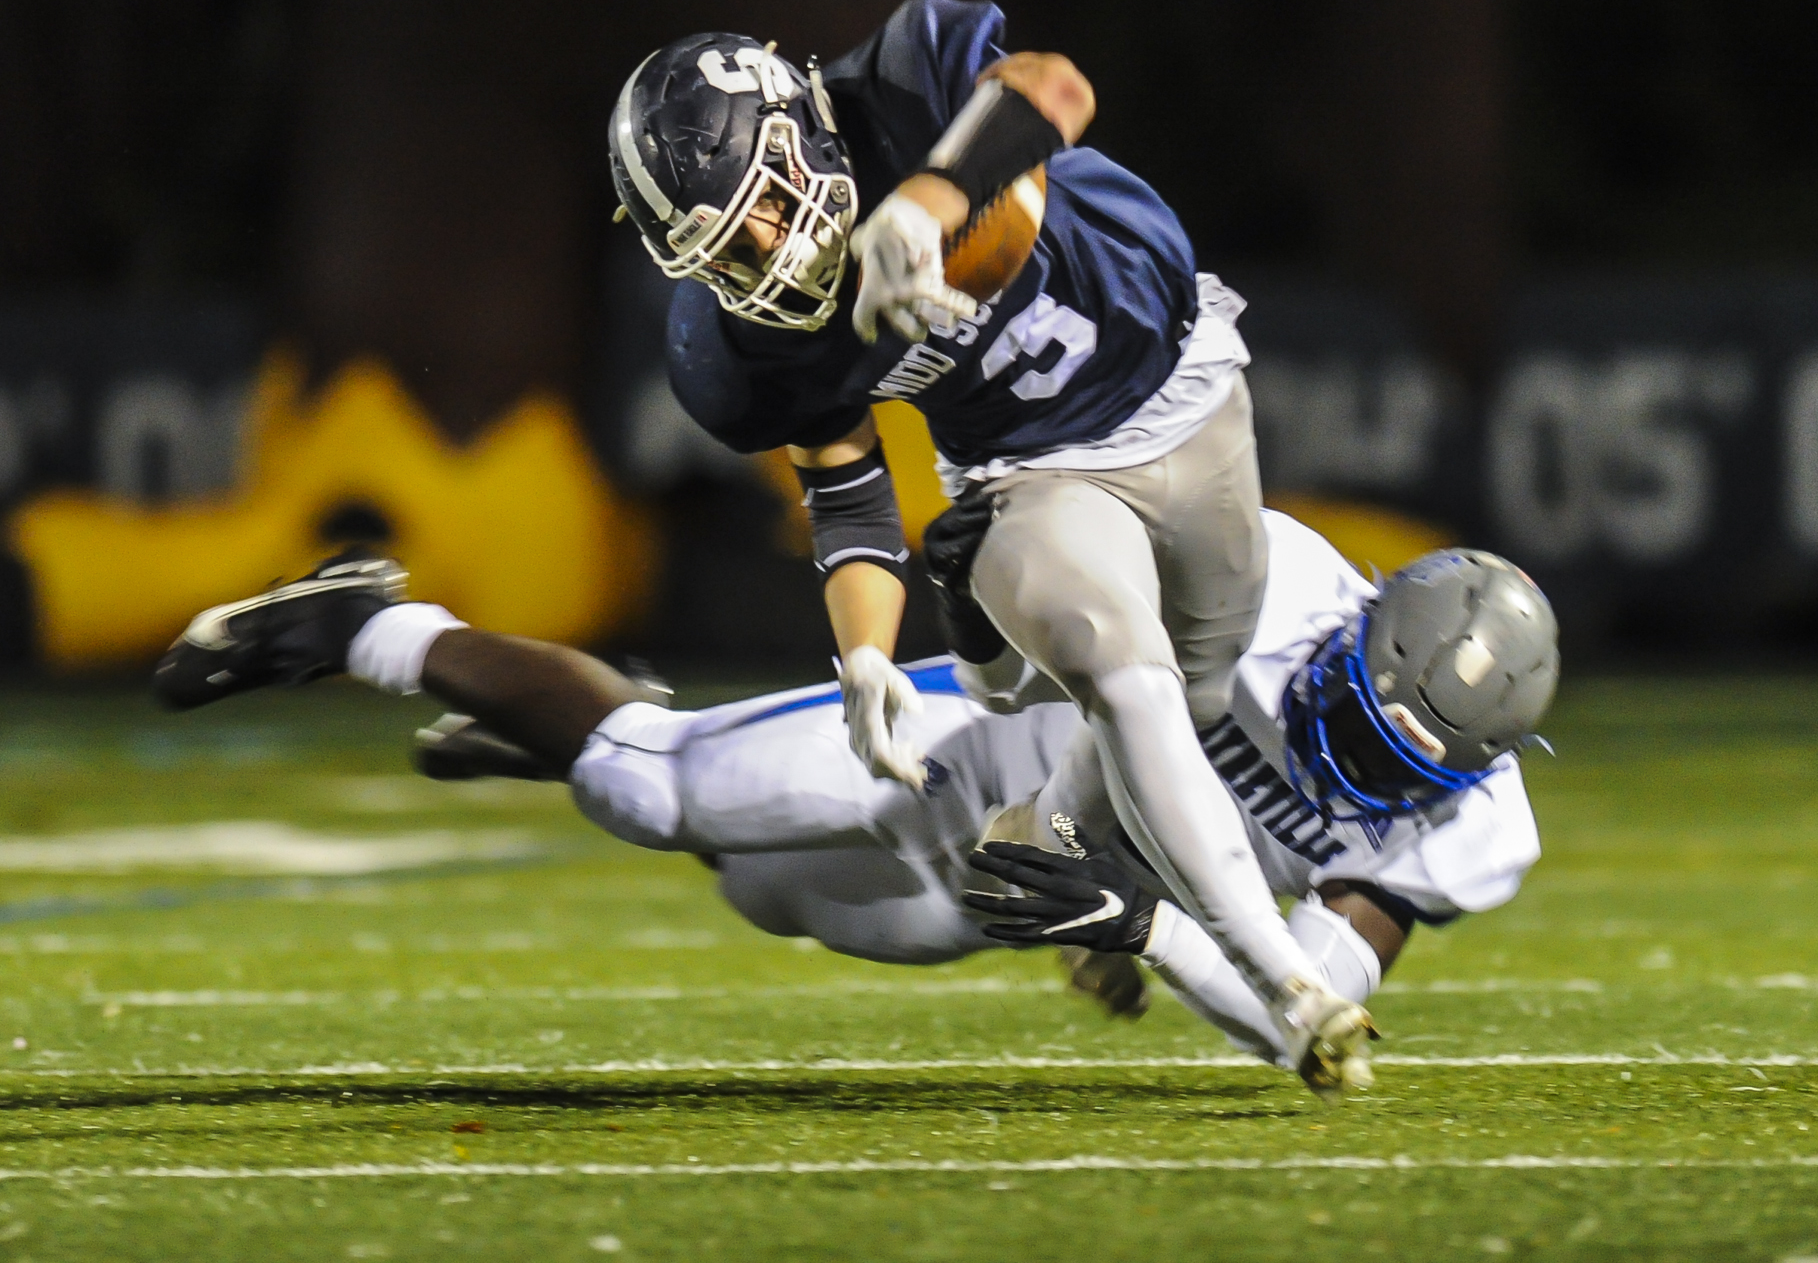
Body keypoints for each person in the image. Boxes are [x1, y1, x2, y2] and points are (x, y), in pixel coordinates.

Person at [603, 0, 1365, 1082]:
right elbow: (847, 490)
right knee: (1128, 684)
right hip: (1028, 472)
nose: (765, 256)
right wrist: (862, 652)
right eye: (726, 253)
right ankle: (1290, 987)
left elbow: (1056, 87)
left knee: (1193, 689)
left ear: (801, 132)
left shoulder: (894, 95)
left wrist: (928, 196)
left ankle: (1043, 830)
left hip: (1185, 386)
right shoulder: (744, 354)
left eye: (766, 205)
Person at [150, 513, 1559, 1092]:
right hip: (972, 742)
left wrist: (1142, 927)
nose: (1356, 771)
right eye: (1357, 725)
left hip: (1015, 887)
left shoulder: (1465, 837)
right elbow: (1068, 587)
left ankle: (577, 717)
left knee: (760, 889)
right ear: (1352, 632)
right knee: (657, 791)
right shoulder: (1263, 581)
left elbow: (1301, 1030)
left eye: (1400, 767)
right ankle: (368, 630)